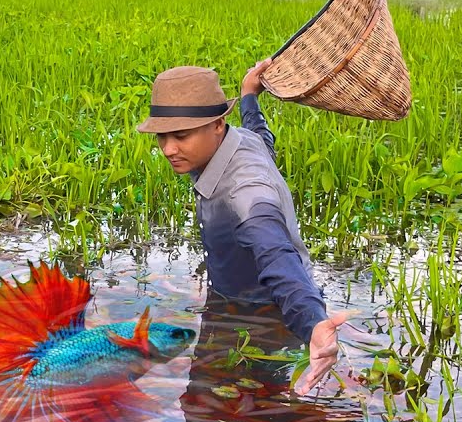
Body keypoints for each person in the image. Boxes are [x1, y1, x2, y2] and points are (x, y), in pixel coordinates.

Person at [136, 61, 344, 395]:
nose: (168, 149)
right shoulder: (242, 140)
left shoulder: (247, 195)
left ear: (218, 125)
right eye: (162, 136)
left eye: (181, 136)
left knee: (247, 403)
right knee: (206, 399)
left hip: (268, 316)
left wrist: (312, 324)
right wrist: (250, 96)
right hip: (229, 300)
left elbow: (276, 254)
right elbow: (261, 134)